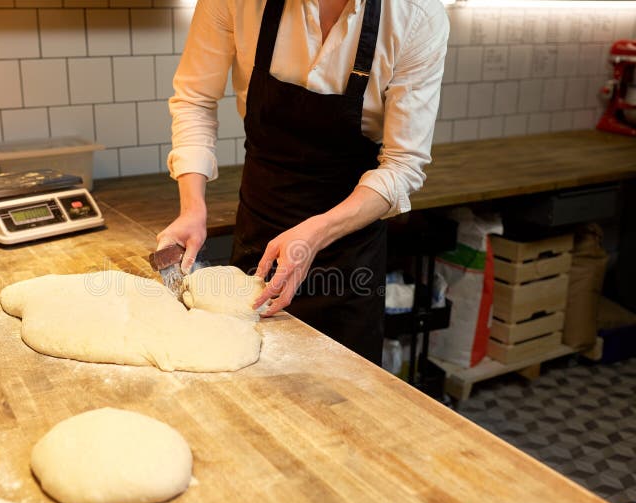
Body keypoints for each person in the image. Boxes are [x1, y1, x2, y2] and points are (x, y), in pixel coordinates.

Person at [157, 0, 449, 364]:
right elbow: (195, 100)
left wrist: (317, 232)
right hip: (259, 241)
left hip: (348, 258)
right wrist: (192, 208)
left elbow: (403, 165)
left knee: (342, 402)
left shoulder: (416, 15)